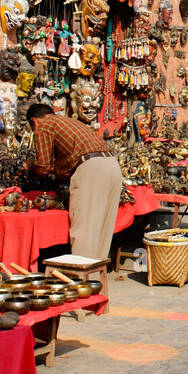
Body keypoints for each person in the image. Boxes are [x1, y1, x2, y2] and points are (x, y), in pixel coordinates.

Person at [26, 103, 122, 261]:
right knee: (101, 232)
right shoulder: (70, 122)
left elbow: (43, 167)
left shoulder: (43, 127)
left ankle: (82, 281)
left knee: (84, 232)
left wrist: (30, 168)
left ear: (34, 121)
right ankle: (95, 280)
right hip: (112, 166)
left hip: (91, 170)